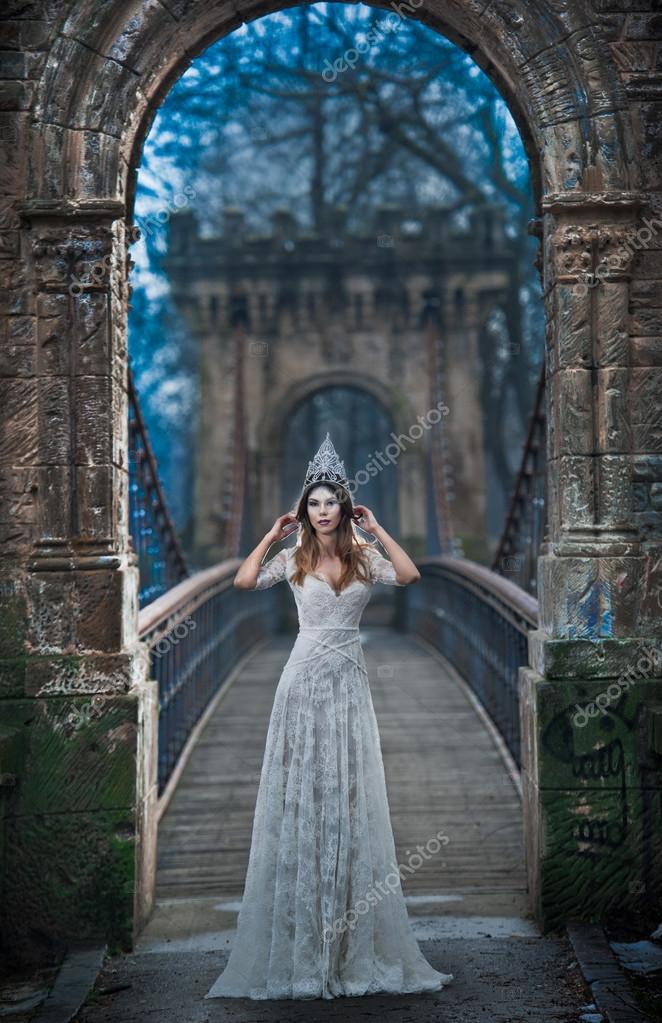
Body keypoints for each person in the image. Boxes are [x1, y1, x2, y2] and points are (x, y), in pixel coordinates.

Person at [205, 434, 453, 1001]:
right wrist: (271, 535)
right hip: (300, 681)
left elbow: (411, 575)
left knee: (346, 793)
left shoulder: (364, 555)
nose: (321, 512)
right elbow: (244, 582)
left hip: (348, 682)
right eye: (313, 503)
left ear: (343, 509)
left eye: (330, 503)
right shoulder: (292, 557)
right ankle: (304, 940)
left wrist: (376, 528)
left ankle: (346, 939)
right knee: (305, 794)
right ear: (304, 511)